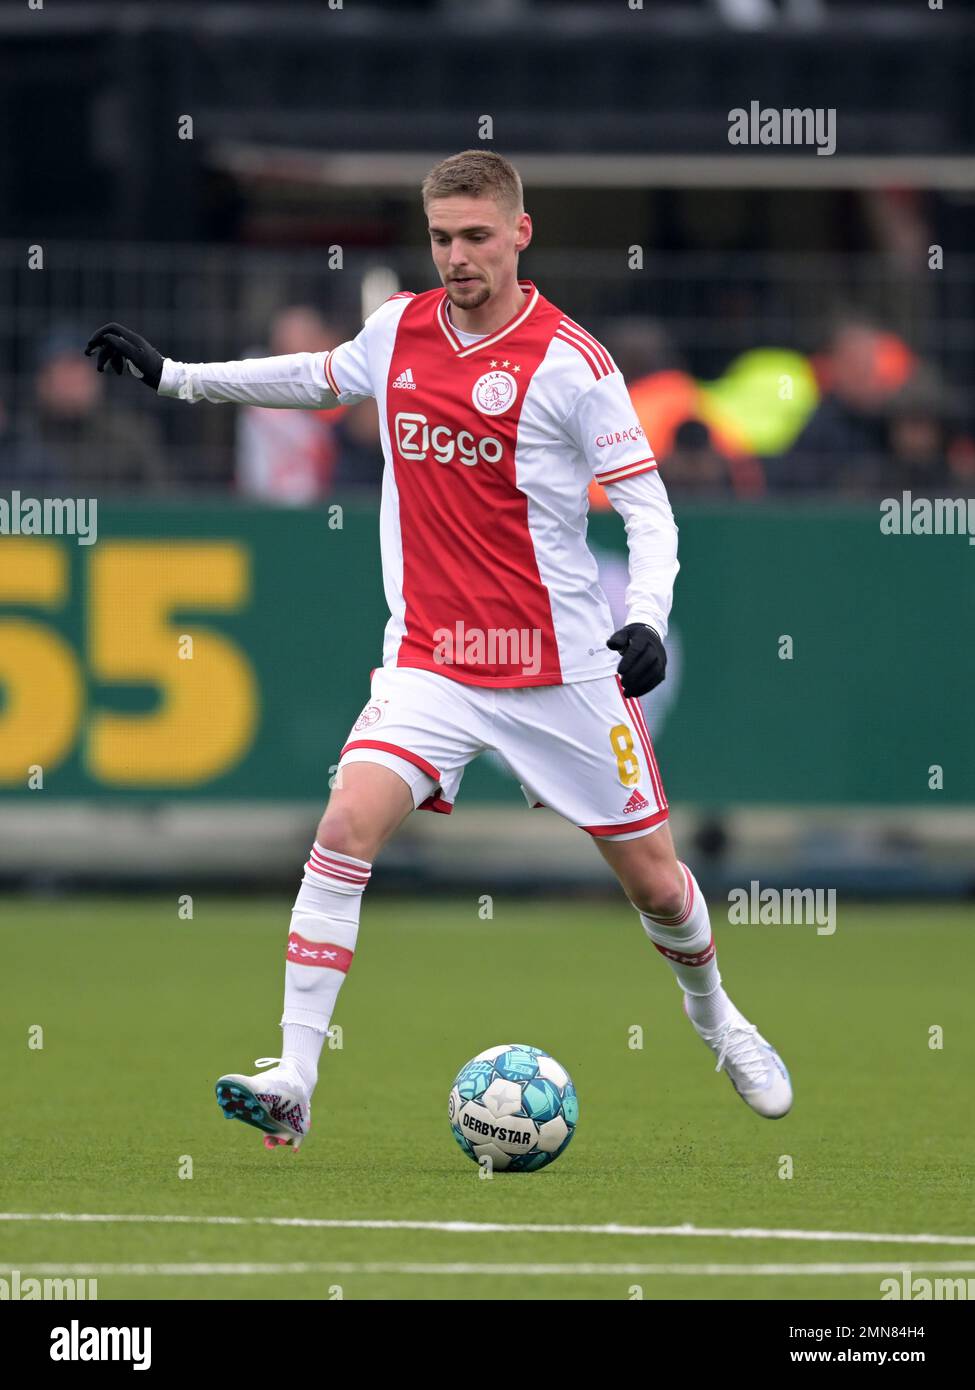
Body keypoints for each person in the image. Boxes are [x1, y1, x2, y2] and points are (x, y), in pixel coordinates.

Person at [85, 150, 792, 1154]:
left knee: (657, 884)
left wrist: (649, 612)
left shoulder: (573, 366)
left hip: (562, 671)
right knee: (346, 819)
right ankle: (293, 1074)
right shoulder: (400, 330)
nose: (458, 257)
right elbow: (313, 378)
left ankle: (718, 1018)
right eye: (442, 238)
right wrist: (176, 377)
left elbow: (649, 509)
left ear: (519, 234)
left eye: (476, 237)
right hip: (434, 661)